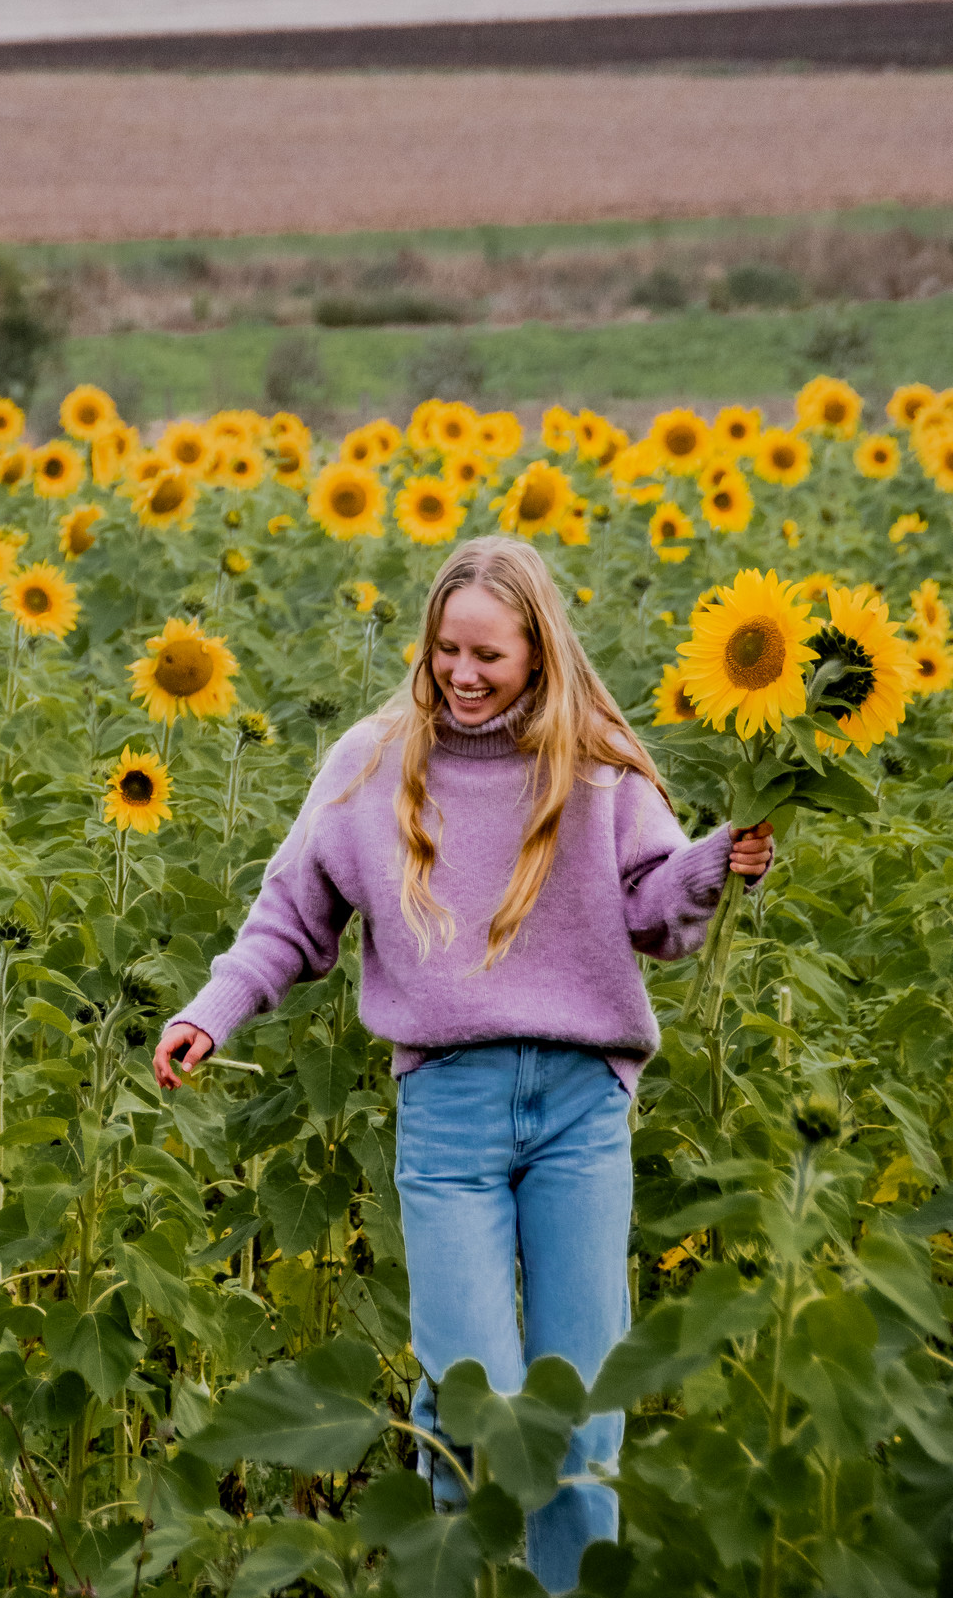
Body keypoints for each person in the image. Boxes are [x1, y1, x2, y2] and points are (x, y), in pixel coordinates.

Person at [153, 534, 773, 1594]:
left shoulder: (594, 765)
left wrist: (716, 863)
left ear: (539, 650)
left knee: (580, 1416)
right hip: (449, 1110)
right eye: (447, 650)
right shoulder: (370, 762)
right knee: (471, 1404)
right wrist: (214, 1010)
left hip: (583, 1108)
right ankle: (466, 1577)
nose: (464, 675)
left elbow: (653, 912)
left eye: (489, 654)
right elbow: (288, 917)